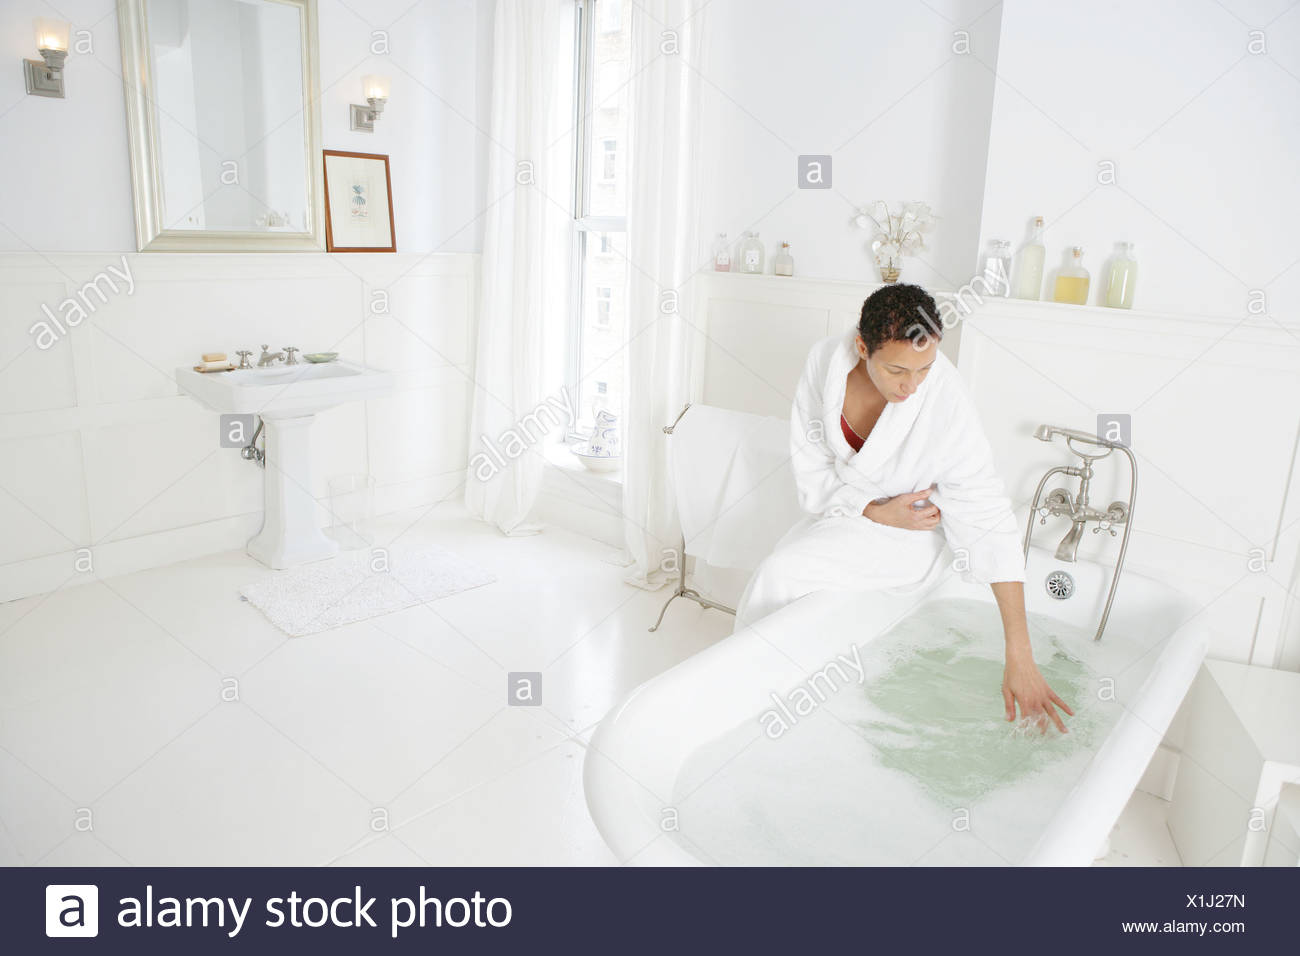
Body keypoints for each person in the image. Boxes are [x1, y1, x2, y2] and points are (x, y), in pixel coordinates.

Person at [734, 283, 1073, 733]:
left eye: (924, 369)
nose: (912, 385)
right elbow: (812, 466)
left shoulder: (946, 400)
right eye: (897, 370)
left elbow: (986, 514)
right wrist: (872, 511)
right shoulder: (825, 363)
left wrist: (1020, 655)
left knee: (783, 572)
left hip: (915, 534)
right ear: (861, 347)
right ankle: (760, 693)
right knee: (781, 575)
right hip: (856, 516)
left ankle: (742, 697)